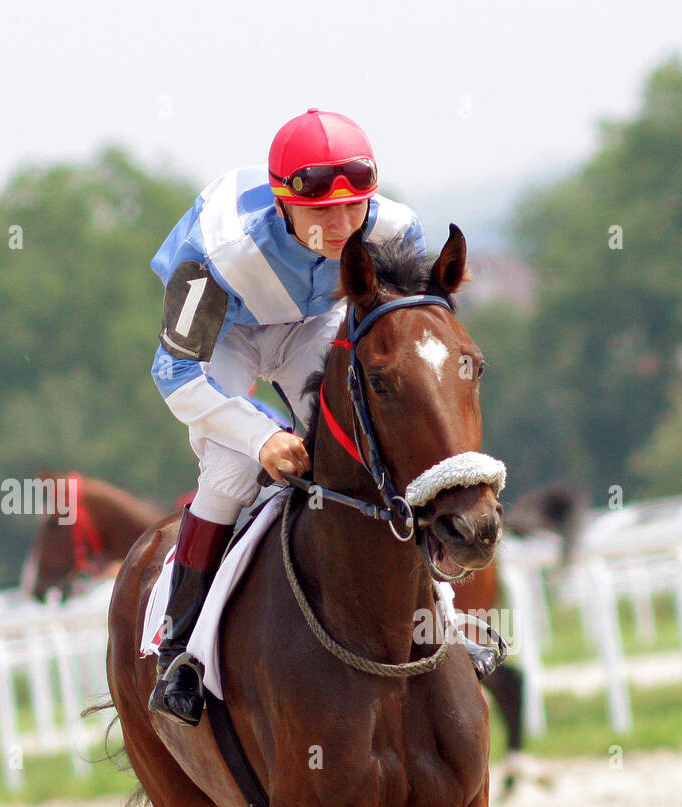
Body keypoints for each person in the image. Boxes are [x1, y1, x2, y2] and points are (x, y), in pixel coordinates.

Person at [146, 109, 500, 727]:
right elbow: (175, 374)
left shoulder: (395, 229)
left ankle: (440, 616)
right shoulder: (218, 252)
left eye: (354, 207)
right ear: (284, 203)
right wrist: (261, 440)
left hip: (315, 323)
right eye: (321, 213)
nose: (341, 228)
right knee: (230, 473)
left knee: (372, 451)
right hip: (227, 337)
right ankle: (180, 651)